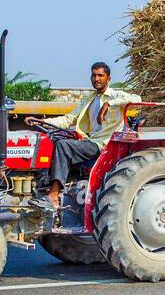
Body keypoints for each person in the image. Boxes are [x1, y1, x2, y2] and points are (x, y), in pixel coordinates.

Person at [27, 62, 140, 210]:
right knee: (55, 140)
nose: (96, 79)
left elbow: (137, 99)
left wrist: (109, 104)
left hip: (104, 144)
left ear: (108, 78)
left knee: (64, 145)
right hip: (90, 140)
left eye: (100, 75)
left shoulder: (115, 95)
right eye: (93, 75)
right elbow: (69, 119)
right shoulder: (90, 99)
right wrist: (42, 122)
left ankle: (53, 195)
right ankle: (45, 185)